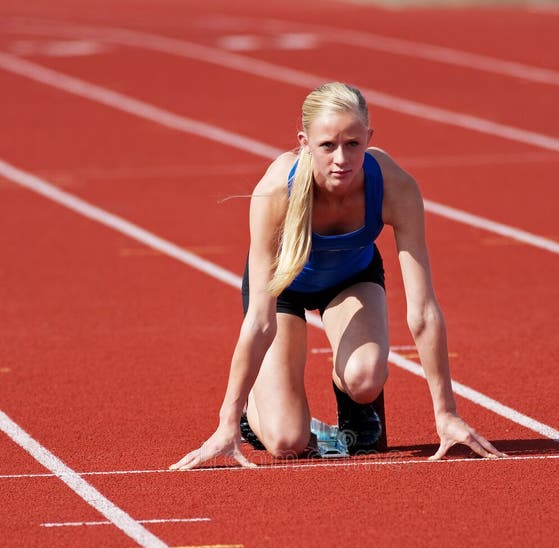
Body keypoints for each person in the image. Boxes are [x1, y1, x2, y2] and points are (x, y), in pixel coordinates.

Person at [170, 82, 504, 470]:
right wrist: (225, 423)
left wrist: (445, 412)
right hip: (284, 290)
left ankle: (356, 420)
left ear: (369, 139)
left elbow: (424, 310)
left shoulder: (395, 186)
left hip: (352, 279)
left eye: (353, 144)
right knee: (285, 441)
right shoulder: (277, 190)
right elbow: (259, 321)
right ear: (305, 142)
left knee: (365, 376)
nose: (341, 158)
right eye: (327, 145)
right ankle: (251, 416)